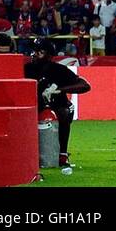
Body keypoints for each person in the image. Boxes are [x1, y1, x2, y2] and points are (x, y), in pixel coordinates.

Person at [24, 40, 91, 175]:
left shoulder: (59, 70)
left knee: (65, 111)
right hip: (34, 106)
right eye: (34, 51)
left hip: (58, 106)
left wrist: (60, 90)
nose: (35, 54)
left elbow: (85, 85)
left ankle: (62, 153)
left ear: (49, 55)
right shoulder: (27, 69)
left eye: (40, 52)